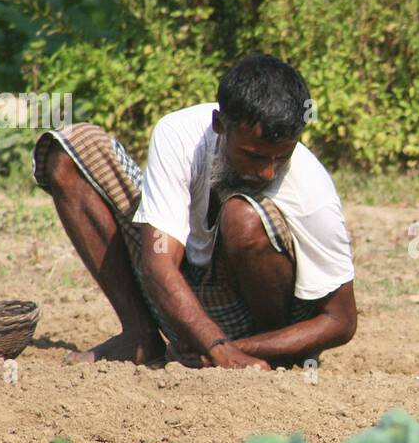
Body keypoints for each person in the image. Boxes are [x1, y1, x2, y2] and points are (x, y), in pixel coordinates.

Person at [32, 53, 357, 370]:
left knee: (242, 217)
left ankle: (273, 358)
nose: (268, 173)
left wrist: (233, 350)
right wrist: (215, 345)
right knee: (71, 149)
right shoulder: (178, 134)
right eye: (254, 156)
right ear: (219, 125)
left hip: (261, 331)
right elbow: (159, 262)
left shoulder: (313, 188)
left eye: (280, 157)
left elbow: (341, 320)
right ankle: (140, 336)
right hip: (182, 304)